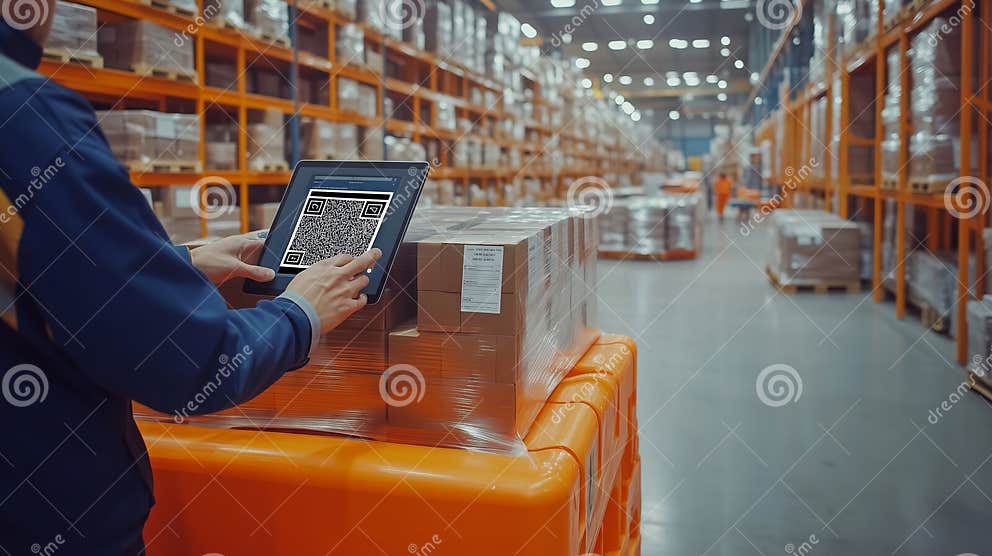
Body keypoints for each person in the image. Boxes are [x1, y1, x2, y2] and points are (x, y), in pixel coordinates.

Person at [0, 9, 380, 554]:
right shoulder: (24, 116)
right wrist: (299, 314)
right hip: (42, 518)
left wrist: (170, 262)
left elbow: (30, 274)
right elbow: (183, 362)